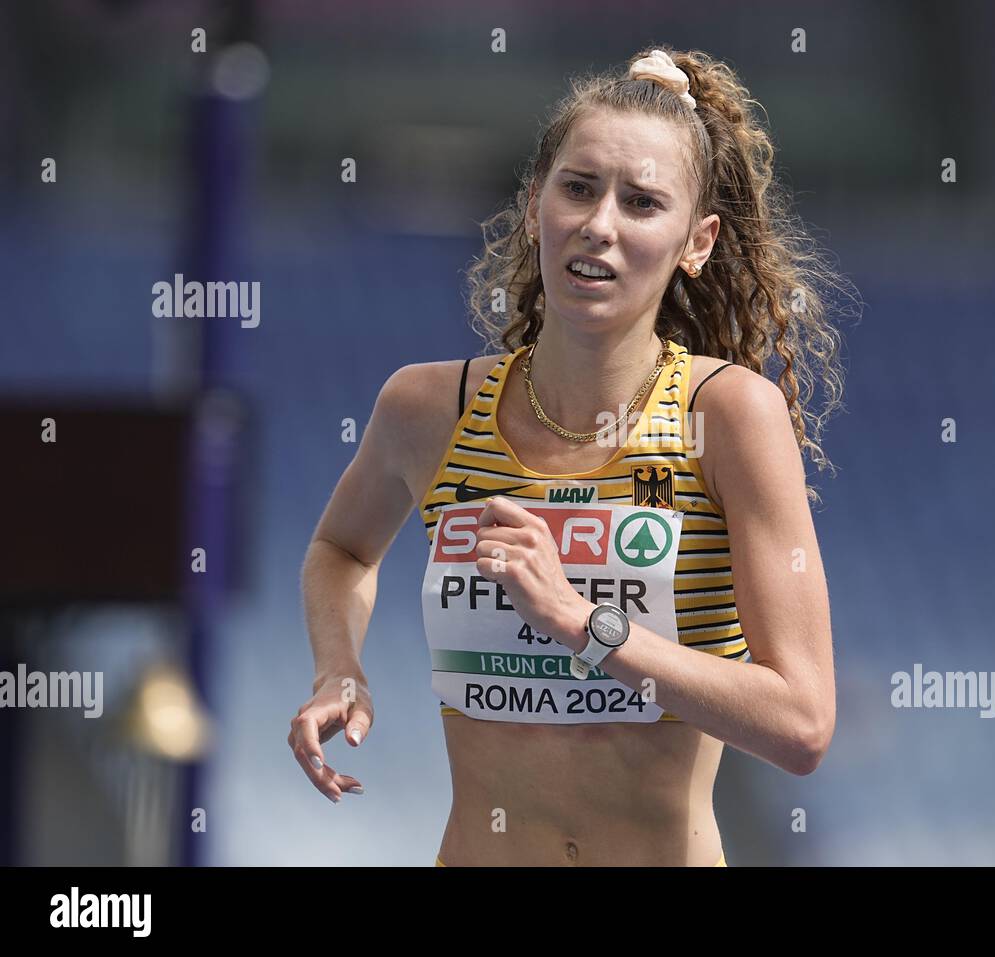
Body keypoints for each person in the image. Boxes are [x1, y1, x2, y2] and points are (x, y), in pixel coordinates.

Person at [290, 46, 855, 866]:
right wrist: (338, 668)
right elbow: (339, 550)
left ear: (697, 242)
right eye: (579, 188)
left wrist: (583, 623)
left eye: (643, 201)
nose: (600, 223)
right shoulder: (426, 409)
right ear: (534, 205)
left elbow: (801, 724)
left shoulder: (728, 415)